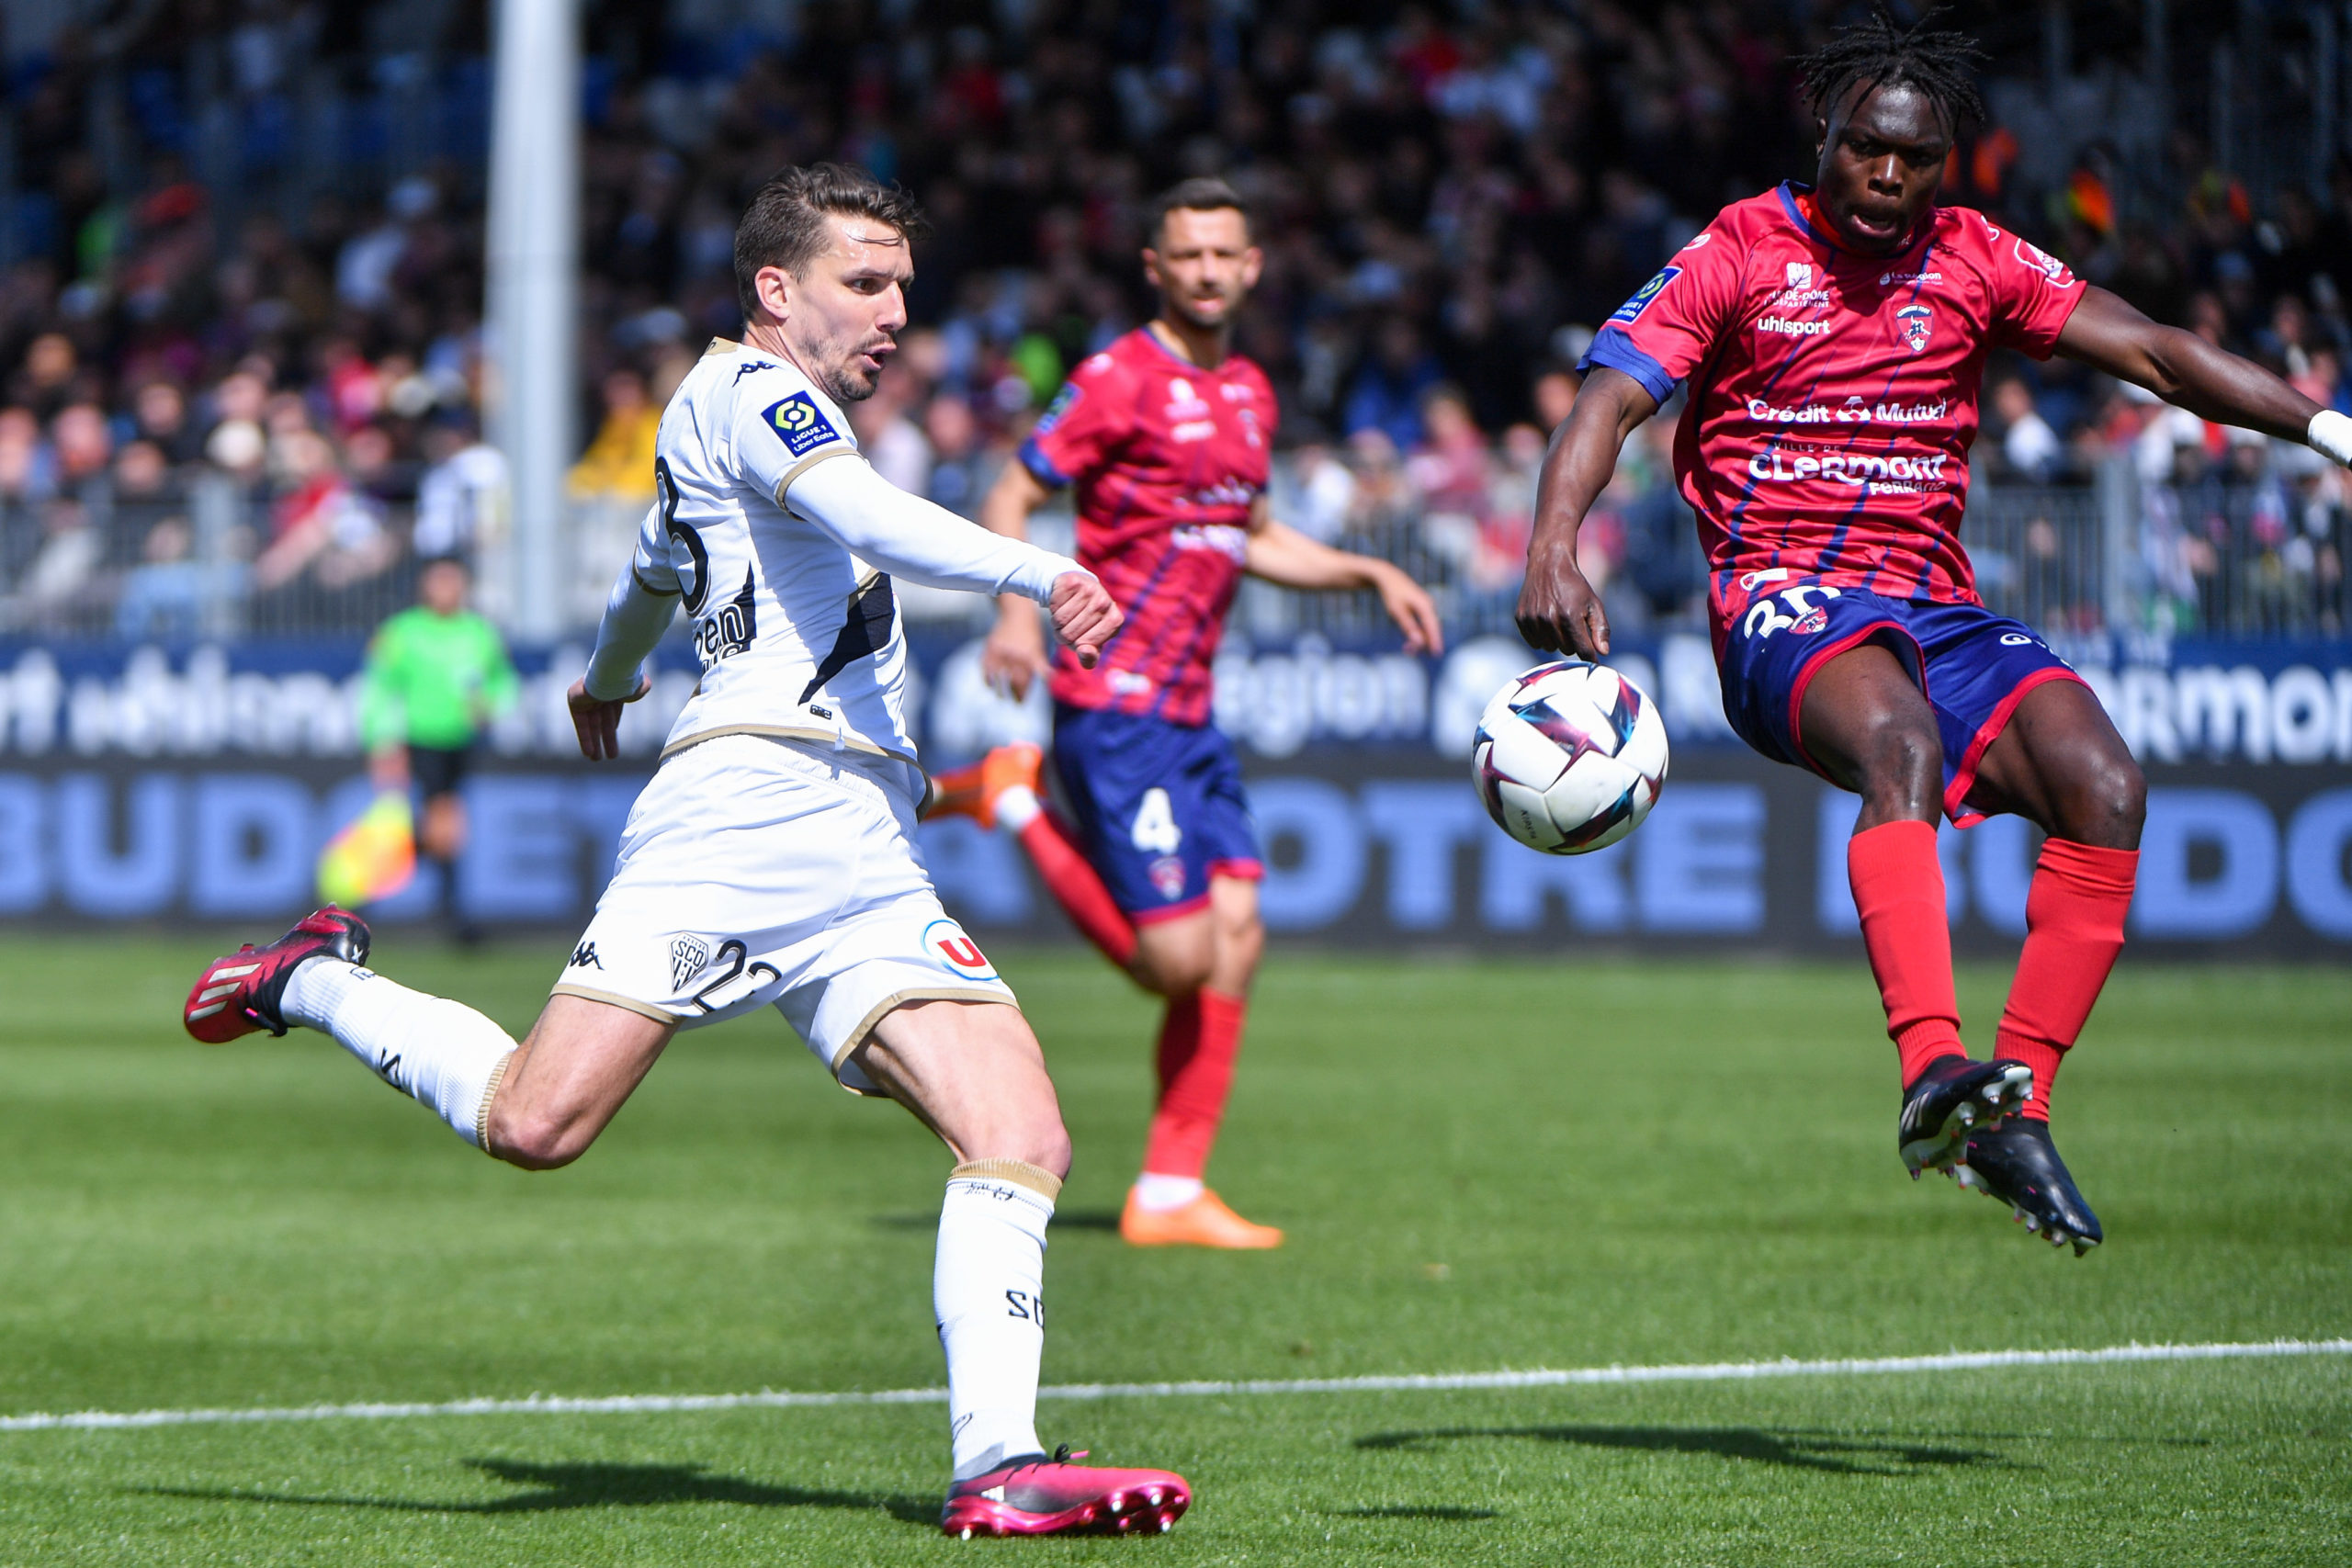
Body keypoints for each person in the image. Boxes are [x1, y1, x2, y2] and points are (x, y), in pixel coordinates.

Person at [182, 164, 1191, 1540]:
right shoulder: (755, 391)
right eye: (865, 280)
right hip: (749, 806)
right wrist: (1032, 567)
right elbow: (865, 516)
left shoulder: (722, 423)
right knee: (537, 1120)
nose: (897, 310)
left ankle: (997, 1462)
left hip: (862, 840)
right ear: (776, 289)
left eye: (904, 282)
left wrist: (607, 678)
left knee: (1019, 1130)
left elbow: (653, 568)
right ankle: (314, 976)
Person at [1515, 7, 2352, 1256]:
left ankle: (2014, 1111)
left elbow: (2166, 358)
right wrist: (1552, 541)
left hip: (1934, 604)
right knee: (1896, 740)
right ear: (1828, 136)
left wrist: (2335, 435)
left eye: (1916, 159)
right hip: (1782, 599)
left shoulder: (1974, 256)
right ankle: (1929, 1069)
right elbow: (1611, 399)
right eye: (1868, 151)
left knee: (2106, 783)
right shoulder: (1741, 249)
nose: (1889, 179)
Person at [926, 178, 1442, 1249]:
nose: (1208, 270)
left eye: (1226, 254)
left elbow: (1244, 532)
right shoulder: (1117, 377)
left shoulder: (1251, 390)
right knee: (1175, 962)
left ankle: (1168, 1191)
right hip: (1113, 700)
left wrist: (1360, 571)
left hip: (1193, 711)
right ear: (1154, 269)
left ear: (1253, 268)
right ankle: (1013, 801)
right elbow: (1014, 494)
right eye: (1188, 255)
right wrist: (1018, 614)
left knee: (1238, 940)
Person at [358, 556, 520, 942]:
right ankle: (455, 917)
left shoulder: (479, 633)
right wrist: (381, 741)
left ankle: (368, 882)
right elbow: (379, 689)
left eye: (453, 580)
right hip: (420, 738)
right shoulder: (403, 632)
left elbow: (502, 683)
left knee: (442, 827)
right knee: (446, 824)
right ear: (423, 586)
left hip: (461, 741)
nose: (446, 589)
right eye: (438, 581)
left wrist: (490, 706)